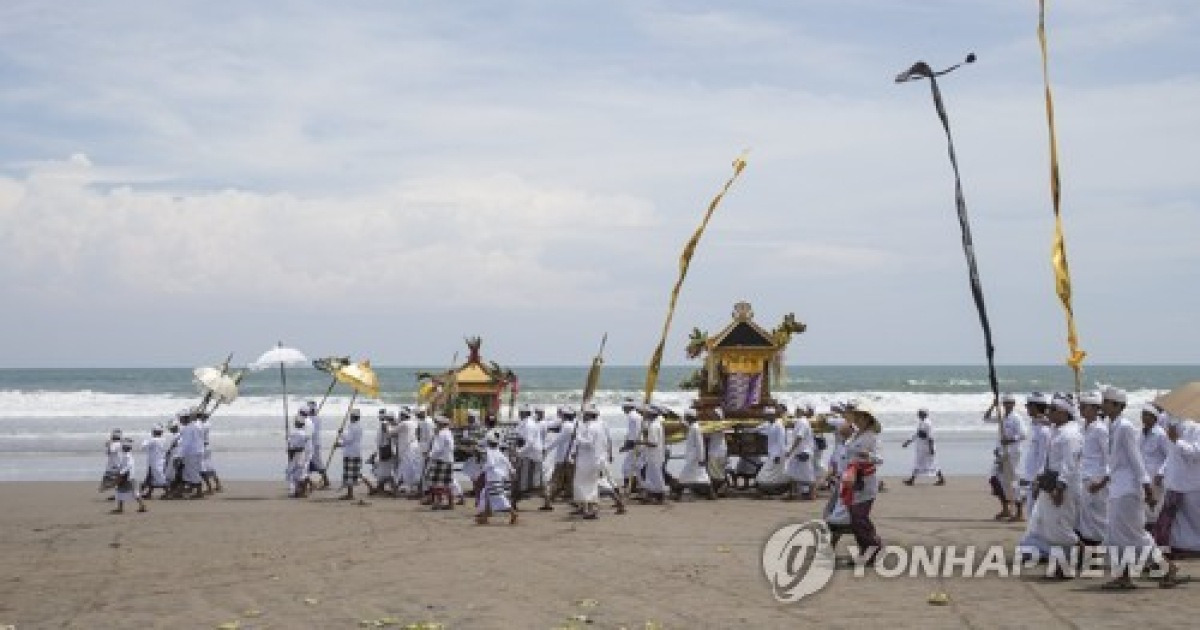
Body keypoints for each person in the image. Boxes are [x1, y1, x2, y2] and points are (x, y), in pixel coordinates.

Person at [1096, 387, 1157, 590]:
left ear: (1117, 406)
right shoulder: (1112, 426)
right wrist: (1104, 481)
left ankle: (1167, 567)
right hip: (1117, 488)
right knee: (1116, 535)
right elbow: (1115, 462)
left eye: (1106, 402)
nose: (1102, 405)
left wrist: (1147, 487)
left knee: (1134, 535)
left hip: (1128, 489)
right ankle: (1124, 576)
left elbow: (1136, 459)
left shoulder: (1125, 427)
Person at [1017, 395, 1084, 568]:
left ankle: (1081, 551)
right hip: (1049, 482)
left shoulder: (1071, 434)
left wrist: (1059, 488)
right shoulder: (1056, 431)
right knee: (1047, 525)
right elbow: (1047, 460)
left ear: (1063, 412)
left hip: (1063, 486)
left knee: (1061, 526)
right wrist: (1039, 479)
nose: (1048, 413)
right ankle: (1061, 562)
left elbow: (1069, 465)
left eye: (1053, 410)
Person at [1153, 412, 1200, 588]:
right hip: (1174, 487)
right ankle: (1168, 568)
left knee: (1189, 531)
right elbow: (1171, 456)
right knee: (1162, 531)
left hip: (1191, 489)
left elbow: (1196, 454)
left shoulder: (1196, 429)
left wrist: (1177, 440)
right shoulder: (1171, 427)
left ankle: (1169, 568)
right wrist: (1161, 472)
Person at [843, 408, 883, 565]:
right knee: (855, 518)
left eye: (861, 417)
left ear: (868, 419)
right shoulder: (854, 435)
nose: (858, 419)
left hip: (865, 482)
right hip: (851, 480)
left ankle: (873, 548)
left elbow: (880, 459)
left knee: (859, 518)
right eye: (856, 417)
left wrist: (868, 456)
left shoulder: (872, 437)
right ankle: (866, 550)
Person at [1077, 391, 1110, 548]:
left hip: (1096, 478)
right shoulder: (1083, 427)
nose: (1082, 409)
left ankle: (1100, 546)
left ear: (1096, 409)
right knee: (1084, 515)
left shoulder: (1101, 429)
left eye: (1085, 407)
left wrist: (1102, 481)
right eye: (1081, 406)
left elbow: (1108, 458)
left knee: (1098, 517)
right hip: (1083, 476)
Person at [990, 393, 1028, 521]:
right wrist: (993, 406)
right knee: (995, 479)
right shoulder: (1002, 417)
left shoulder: (1016, 418)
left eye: (1010, 403)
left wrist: (1010, 440)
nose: (1007, 405)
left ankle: (1019, 512)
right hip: (1001, 453)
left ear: (1013, 404)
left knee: (1014, 481)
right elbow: (986, 419)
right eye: (1005, 403)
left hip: (1013, 453)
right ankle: (1006, 509)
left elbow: (1023, 434)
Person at [1018, 393, 1052, 522]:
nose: (1027, 408)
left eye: (1028, 406)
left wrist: (1038, 479)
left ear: (1035, 407)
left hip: (1037, 480)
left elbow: (1044, 458)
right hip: (1030, 478)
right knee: (1031, 514)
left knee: (1037, 516)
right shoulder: (1034, 426)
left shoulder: (1044, 431)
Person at [476, 430, 518, 525]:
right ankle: (484, 517)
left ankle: (513, 513)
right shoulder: (499, 453)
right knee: (486, 495)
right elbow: (508, 463)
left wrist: (482, 470)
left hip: (493, 477)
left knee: (499, 497)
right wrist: (512, 472)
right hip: (500, 477)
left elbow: (490, 464)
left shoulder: (489, 452)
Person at [572, 404, 605, 519]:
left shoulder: (591, 427)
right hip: (595, 460)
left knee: (583, 484)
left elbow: (589, 443)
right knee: (591, 485)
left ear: (590, 415)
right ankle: (589, 509)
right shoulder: (599, 426)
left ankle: (588, 509)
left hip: (588, 461)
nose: (583, 416)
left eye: (585, 414)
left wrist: (577, 437)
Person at [1140, 404, 1170, 526]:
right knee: (1143, 510)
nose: (1144, 418)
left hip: (1155, 478)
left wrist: (1161, 473)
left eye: (1148, 415)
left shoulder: (1160, 434)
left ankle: (1155, 539)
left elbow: (1169, 456)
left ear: (1154, 418)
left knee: (1154, 510)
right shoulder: (1140, 433)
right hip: (1143, 477)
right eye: (1143, 415)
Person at [674, 409, 714, 500]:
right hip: (693, 457)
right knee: (703, 477)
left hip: (695, 458)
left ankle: (677, 494)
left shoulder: (695, 428)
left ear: (690, 417)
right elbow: (687, 425)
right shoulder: (693, 427)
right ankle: (711, 494)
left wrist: (701, 458)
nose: (685, 418)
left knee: (684, 477)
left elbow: (700, 445)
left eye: (686, 417)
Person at [903, 408, 945, 486]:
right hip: (921, 447)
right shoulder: (921, 423)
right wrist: (908, 442)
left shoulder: (927, 424)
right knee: (918, 462)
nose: (918, 415)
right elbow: (916, 434)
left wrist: (931, 448)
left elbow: (930, 436)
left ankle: (941, 479)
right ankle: (911, 480)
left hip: (926, 447)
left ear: (924, 414)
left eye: (920, 413)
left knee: (931, 463)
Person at [513, 404, 545, 506]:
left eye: (520, 412)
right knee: (528, 480)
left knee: (526, 481)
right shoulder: (524, 423)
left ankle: (514, 501)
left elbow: (530, 443)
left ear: (524, 413)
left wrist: (519, 452)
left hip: (531, 455)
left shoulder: (529, 425)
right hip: (528, 454)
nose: (519, 414)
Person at [755, 406, 790, 496]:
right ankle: (774, 490)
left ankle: (777, 489)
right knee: (774, 474)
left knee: (765, 475)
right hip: (772, 454)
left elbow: (781, 442)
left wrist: (779, 455)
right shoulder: (770, 424)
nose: (765, 417)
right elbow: (759, 429)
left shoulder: (779, 425)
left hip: (777, 455)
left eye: (767, 416)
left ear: (772, 415)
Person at [784, 408, 817, 500]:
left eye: (797, 411)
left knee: (807, 475)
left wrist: (790, 450)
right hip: (800, 451)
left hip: (804, 451)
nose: (795, 412)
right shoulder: (800, 421)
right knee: (793, 472)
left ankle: (812, 495)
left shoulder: (802, 422)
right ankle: (796, 494)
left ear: (801, 412)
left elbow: (799, 437)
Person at [638, 406, 668, 504]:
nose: (644, 415)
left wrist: (641, 442)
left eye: (646, 414)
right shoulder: (655, 424)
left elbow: (653, 443)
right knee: (651, 476)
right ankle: (651, 495)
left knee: (656, 476)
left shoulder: (654, 426)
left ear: (651, 414)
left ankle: (661, 496)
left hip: (654, 455)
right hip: (654, 455)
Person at [426, 416, 456, 510]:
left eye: (437, 423)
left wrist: (429, 455)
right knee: (447, 483)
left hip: (440, 460)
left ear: (441, 424)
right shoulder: (448, 433)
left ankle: (438, 502)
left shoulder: (442, 434)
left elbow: (437, 449)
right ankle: (450, 502)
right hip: (448, 459)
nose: (436, 425)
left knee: (436, 483)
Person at [111, 438, 147, 514]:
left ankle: (142, 506)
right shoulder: (126, 455)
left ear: (126, 448)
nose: (123, 448)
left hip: (128, 477)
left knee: (134, 493)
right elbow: (124, 465)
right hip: (126, 476)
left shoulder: (127, 456)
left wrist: (121, 472)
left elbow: (128, 466)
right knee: (120, 492)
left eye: (124, 447)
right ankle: (120, 508)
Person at [177, 411, 206, 499]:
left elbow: (186, 444)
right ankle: (189, 490)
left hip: (191, 453)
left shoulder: (188, 428)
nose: (180, 420)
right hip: (199, 451)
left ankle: (199, 492)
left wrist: (179, 456)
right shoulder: (198, 425)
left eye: (181, 418)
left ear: (185, 418)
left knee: (193, 472)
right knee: (192, 471)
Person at [336, 409, 364, 500]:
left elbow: (349, 439)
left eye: (351, 416)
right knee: (351, 473)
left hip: (351, 452)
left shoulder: (353, 427)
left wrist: (341, 434)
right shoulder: (358, 426)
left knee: (349, 474)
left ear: (353, 417)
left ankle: (350, 494)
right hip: (355, 450)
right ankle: (349, 493)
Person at [619, 399, 643, 496]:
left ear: (628, 407)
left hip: (635, 446)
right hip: (637, 445)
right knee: (636, 467)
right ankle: (635, 487)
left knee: (626, 468)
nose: (622, 409)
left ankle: (630, 488)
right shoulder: (636, 416)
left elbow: (634, 434)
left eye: (624, 407)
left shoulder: (632, 417)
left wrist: (626, 446)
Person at [286, 414, 312, 498]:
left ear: (296, 423)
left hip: (296, 454)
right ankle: (301, 492)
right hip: (302, 454)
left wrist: (290, 449)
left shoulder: (295, 434)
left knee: (292, 473)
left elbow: (292, 446)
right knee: (300, 473)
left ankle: (298, 492)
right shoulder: (304, 434)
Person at [139, 424, 169, 499]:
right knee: (150, 477)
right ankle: (149, 493)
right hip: (159, 461)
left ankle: (168, 492)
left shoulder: (153, 440)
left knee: (160, 479)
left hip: (154, 462)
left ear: (154, 432)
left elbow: (143, 447)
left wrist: (145, 441)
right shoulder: (163, 439)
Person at [706, 408, 730, 496]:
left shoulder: (719, 425)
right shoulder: (718, 424)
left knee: (715, 471)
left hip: (717, 451)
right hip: (717, 449)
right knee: (717, 471)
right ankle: (720, 487)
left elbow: (708, 433)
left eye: (714, 414)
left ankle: (723, 485)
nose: (713, 416)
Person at [100, 428, 124, 496]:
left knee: (108, 481)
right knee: (117, 480)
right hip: (119, 464)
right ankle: (117, 494)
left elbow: (109, 452)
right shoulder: (121, 444)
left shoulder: (114, 444)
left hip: (113, 465)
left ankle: (107, 488)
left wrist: (108, 444)